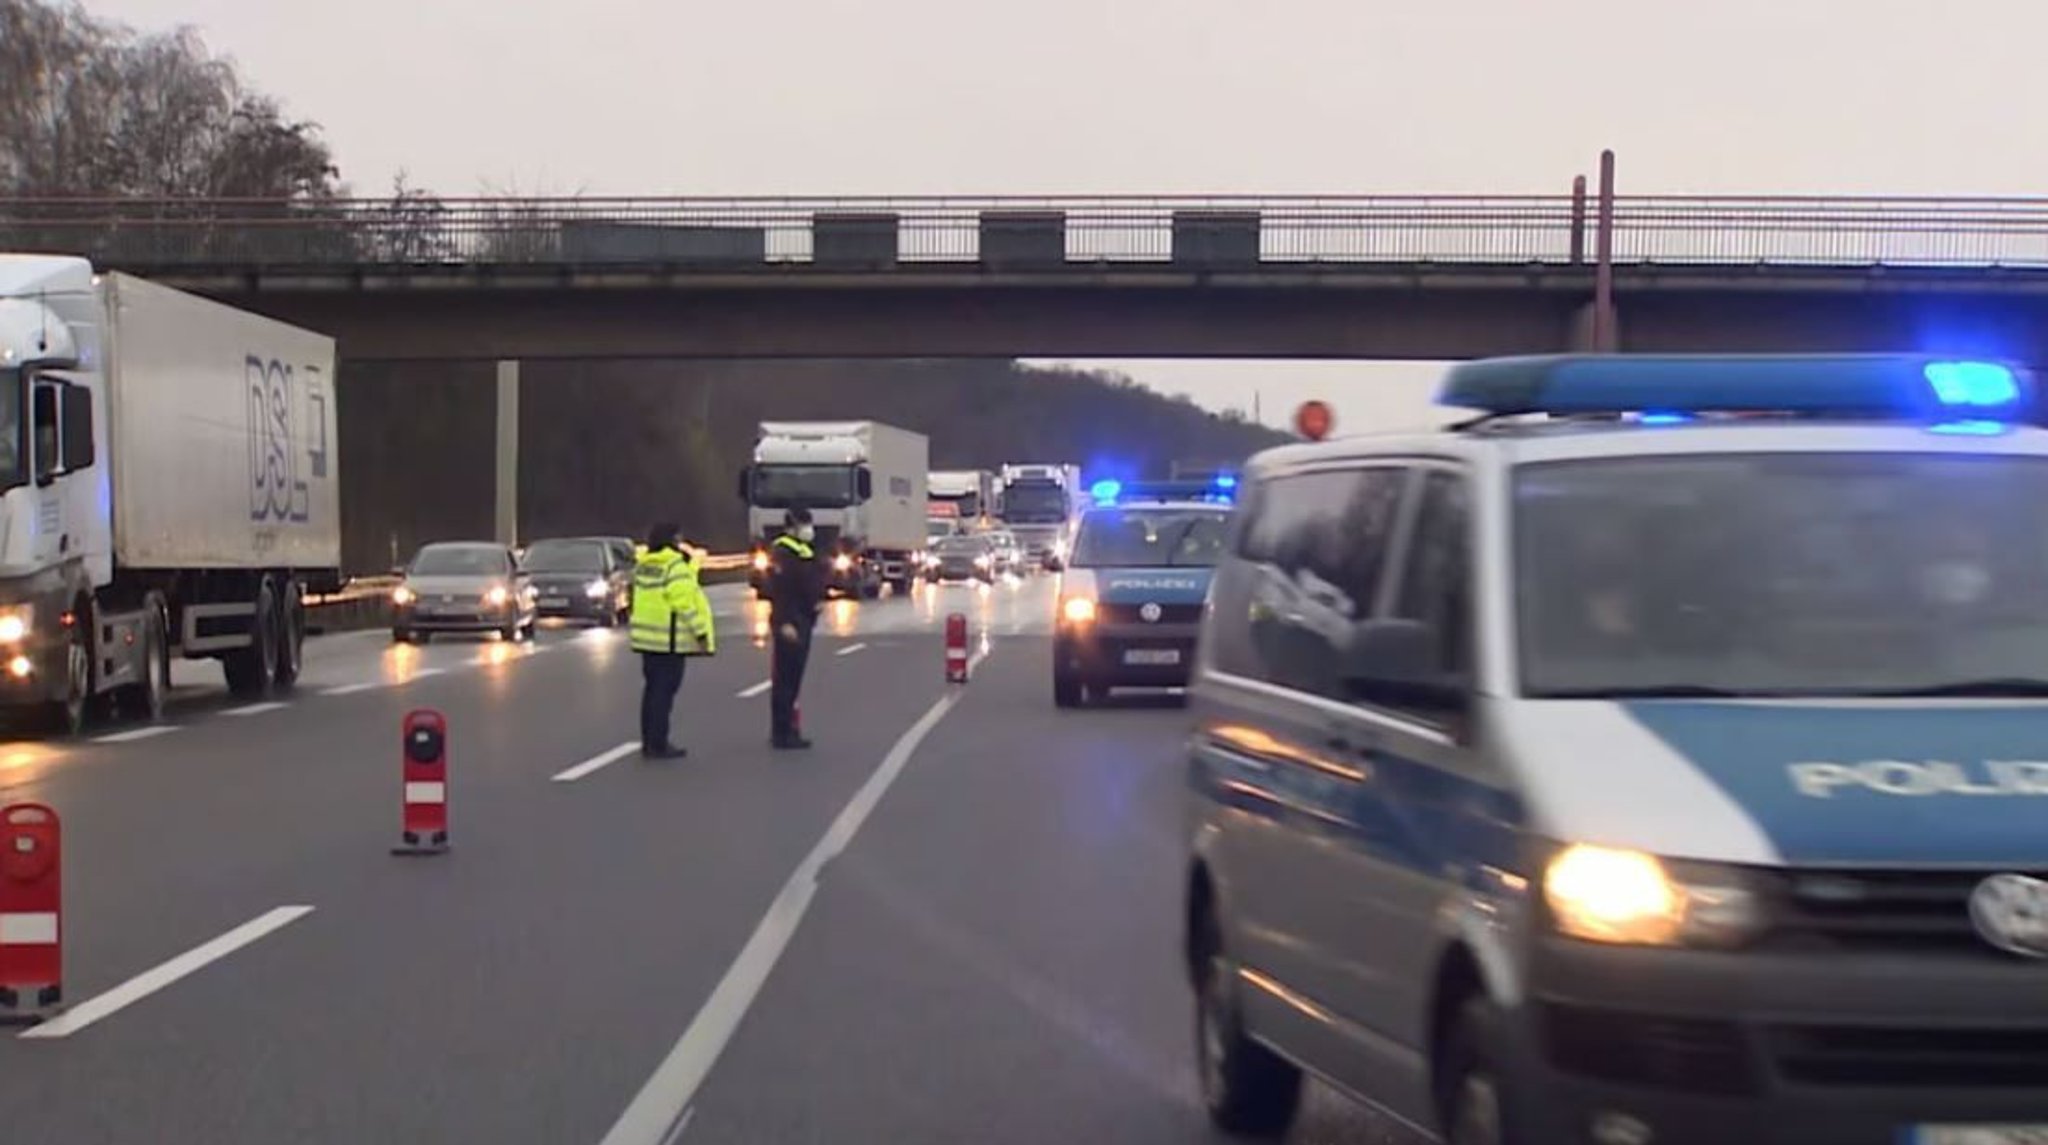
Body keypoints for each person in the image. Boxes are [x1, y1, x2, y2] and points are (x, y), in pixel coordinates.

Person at [629, 522, 715, 759]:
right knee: (664, 693)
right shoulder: (674, 566)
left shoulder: (645, 564)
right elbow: (683, 601)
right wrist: (700, 632)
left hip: (647, 639)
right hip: (669, 639)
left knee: (651, 691)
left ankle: (649, 741)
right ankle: (659, 743)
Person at [765, 506, 826, 749]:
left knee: (792, 680)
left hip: (803, 618)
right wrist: (785, 622)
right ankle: (782, 732)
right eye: (805, 524)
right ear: (792, 526)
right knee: (786, 680)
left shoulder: (802, 552)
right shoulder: (783, 553)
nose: (809, 530)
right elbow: (781, 593)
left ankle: (787, 729)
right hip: (791, 620)